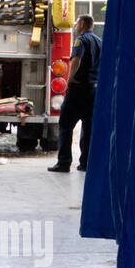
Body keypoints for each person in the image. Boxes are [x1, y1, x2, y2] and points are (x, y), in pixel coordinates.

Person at [48, 15, 102, 173]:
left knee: (65, 125)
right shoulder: (100, 42)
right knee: (88, 126)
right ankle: (85, 163)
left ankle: (63, 162)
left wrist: (70, 78)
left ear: (83, 24)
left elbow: (76, 59)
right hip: (93, 90)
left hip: (78, 89)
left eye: (77, 23)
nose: (76, 26)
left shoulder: (81, 40)